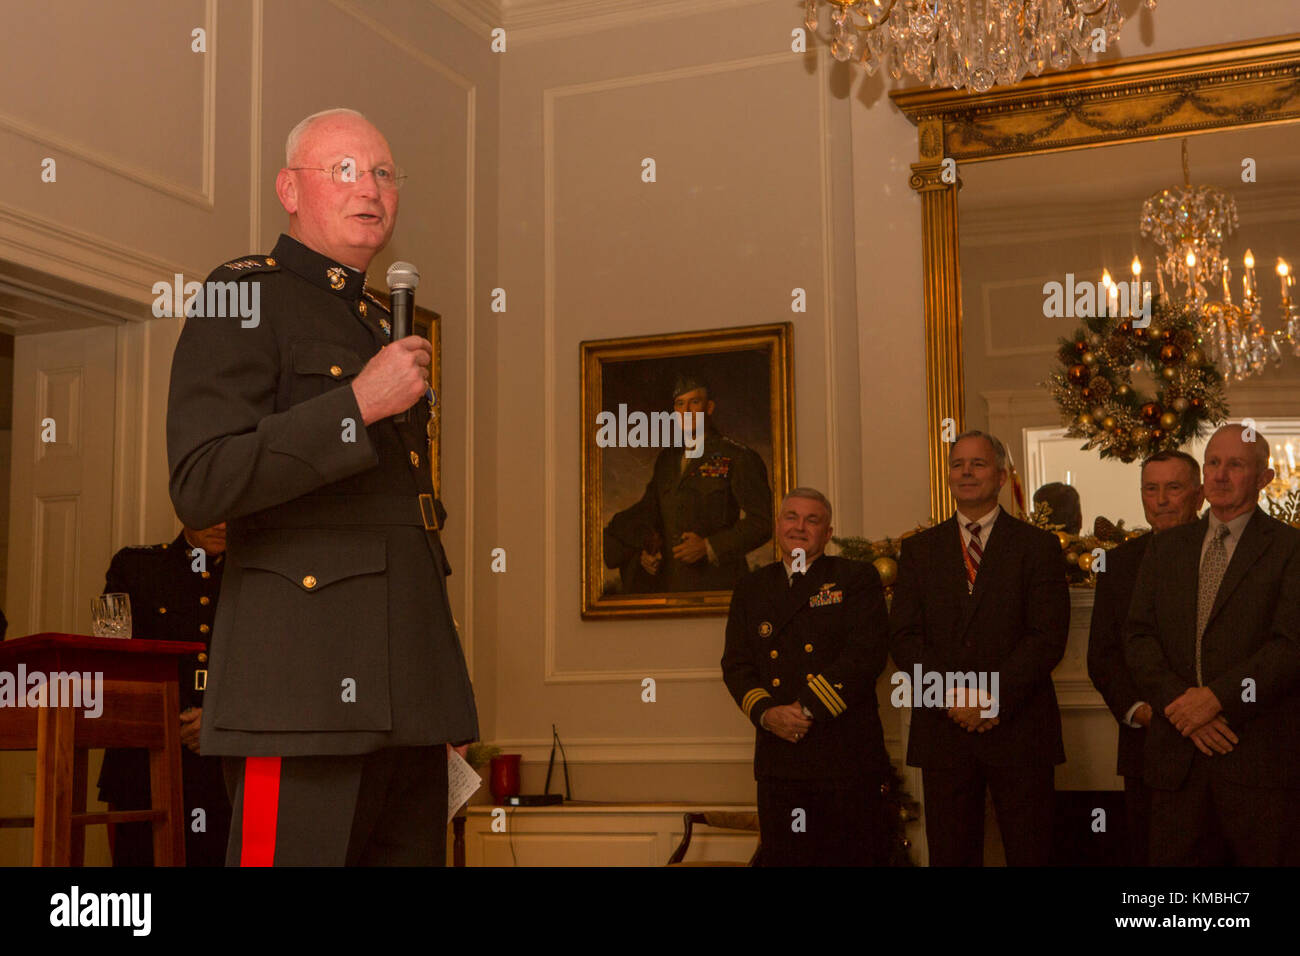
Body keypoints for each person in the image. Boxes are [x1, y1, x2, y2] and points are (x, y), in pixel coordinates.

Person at [166, 107, 478, 866]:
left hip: (409, 692)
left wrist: (440, 685)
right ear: (289, 189)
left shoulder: (375, 320)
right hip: (299, 690)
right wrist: (357, 406)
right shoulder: (244, 296)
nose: (369, 187)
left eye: (382, 172)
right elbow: (202, 481)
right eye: (344, 170)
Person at [889, 430, 1069, 866]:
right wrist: (955, 697)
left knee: (1032, 853)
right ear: (949, 477)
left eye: (978, 463)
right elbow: (904, 638)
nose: (966, 472)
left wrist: (990, 698)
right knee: (951, 855)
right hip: (944, 730)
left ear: (1003, 476)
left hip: (1019, 726)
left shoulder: (1038, 547)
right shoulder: (917, 551)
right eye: (957, 464)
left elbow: (1047, 637)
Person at [1125, 424, 1300, 865]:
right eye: (1213, 463)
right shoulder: (1166, 548)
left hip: (1257, 760)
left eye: (1236, 465)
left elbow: (1290, 645)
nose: (1220, 476)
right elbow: (1138, 637)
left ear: (1264, 477)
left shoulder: (1290, 548)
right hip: (1176, 763)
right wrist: (1184, 706)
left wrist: (1218, 699)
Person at [721, 487, 891, 866]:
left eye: (812, 520)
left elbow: (866, 655)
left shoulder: (856, 578)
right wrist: (767, 713)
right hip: (780, 758)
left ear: (828, 533)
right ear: (778, 526)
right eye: (791, 517)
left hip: (845, 756)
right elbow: (736, 664)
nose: (799, 527)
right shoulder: (751, 587)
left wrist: (806, 709)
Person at [1086, 449, 1203, 865]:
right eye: (1150, 489)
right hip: (1147, 743)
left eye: (1174, 488)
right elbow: (1102, 654)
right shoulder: (1117, 564)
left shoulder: (1228, 553)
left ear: (1199, 495)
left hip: (1221, 740)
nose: (1161, 500)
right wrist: (1141, 712)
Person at [96, 523, 233, 866]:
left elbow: (273, 664)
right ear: (185, 503)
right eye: (212, 511)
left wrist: (221, 718)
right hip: (145, 763)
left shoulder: (259, 574)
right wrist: (172, 722)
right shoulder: (137, 567)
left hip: (226, 770)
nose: (222, 524)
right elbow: (116, 661)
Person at [623, 375, 773, 592]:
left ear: (709, 407)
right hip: (671, 586)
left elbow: (763, 522)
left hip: (719, 586)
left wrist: (709, 547)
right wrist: (647, 551)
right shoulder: (666, 460)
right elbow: (649, 513)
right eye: (680, 404)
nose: (687, 411)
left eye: (694, 402)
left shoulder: (738, 457)